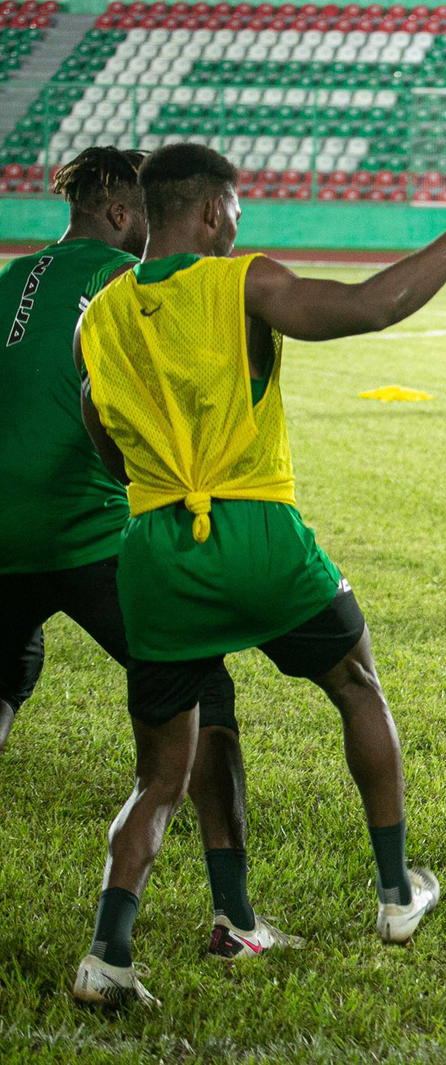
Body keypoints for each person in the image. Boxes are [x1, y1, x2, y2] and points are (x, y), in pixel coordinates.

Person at [71, 142, 446, 1007]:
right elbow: (372, 307)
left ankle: (110, 953)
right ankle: (398, 892)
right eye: (236, 216)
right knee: (357, 682)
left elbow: (103, 442)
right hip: (259, 536)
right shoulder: (242, 280)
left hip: (155, 551)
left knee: (159, 773)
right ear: (215, 212)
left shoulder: (96, 317)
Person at [0, 147, 263, 966]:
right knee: (206, 693)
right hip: (94, 535)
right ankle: (233, 917)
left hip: (2, 537)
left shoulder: (12, 277)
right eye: (146, 212)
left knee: (14, 664)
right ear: (120, 214)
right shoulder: (129, 287)